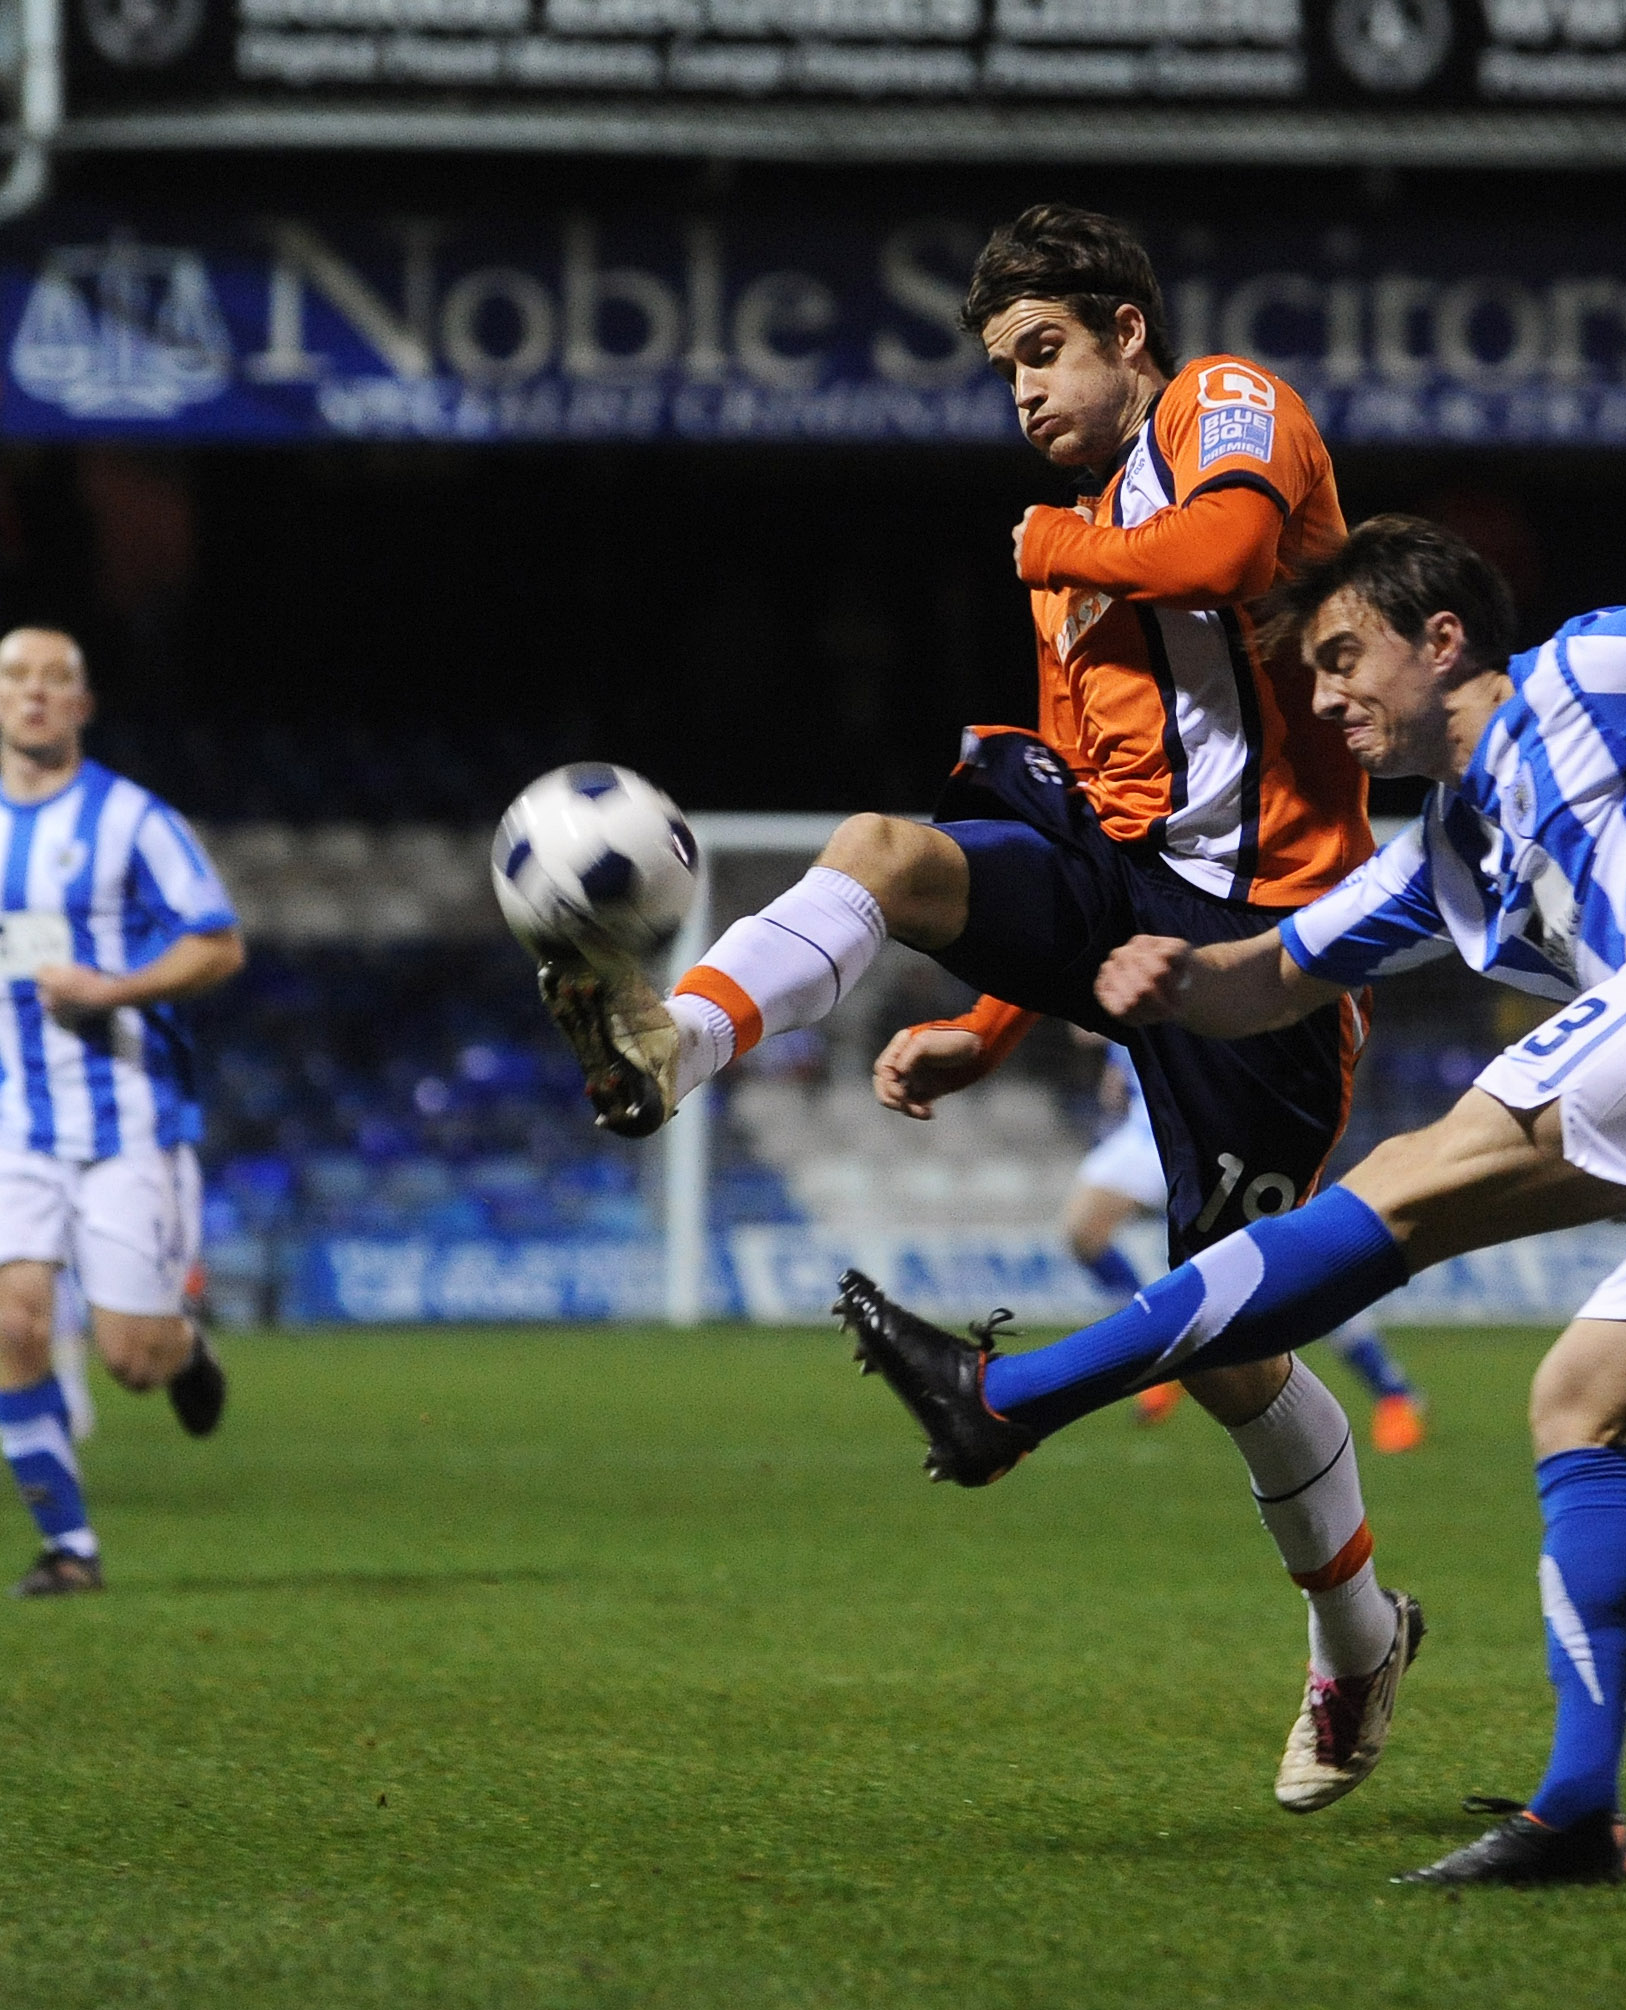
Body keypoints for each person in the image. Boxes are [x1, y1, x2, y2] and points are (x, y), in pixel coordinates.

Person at [834, 515, 1626, 1884]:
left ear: (1441, 639)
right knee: (1581, 1405)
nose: (1323, 696)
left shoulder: (1583, 670)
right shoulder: (1444, 849)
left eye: (1342, 657)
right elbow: (1273, 978)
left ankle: (1008, 1402)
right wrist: (1171, 978)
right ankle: (1577, 1816)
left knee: (1405, 1181)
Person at [539, 206, 1420, 1812]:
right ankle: (681, 1039)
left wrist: (1054, 548)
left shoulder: (1223, 405)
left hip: (1268, 956)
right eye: (1004, 366)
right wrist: (989, 1020)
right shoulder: (1068, 555)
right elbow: (1084, 805)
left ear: (1126, 335)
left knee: (1238, 1345)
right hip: (1123, 895)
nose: (1021, 391)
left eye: (1044, 351)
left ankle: (1359, 1638)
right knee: (887, 848)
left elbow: (1225, 556)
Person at [0, 627, 245, 1598]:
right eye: (16, 676)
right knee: (11, 1324)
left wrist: (111, 989)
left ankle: (184, 1350)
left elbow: (218, 944)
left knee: (129, 1362)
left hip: (128, 1122)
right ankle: (71, 1549)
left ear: (82, 706)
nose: (34, 693)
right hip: (16, 1119)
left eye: (55, 679)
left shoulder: (134, 820)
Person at [1064, 1036, 1427, 1445]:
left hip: (1213, 1131)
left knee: (1291, 1269)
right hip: (1148, 1132)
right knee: (1083, 1232)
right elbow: (1089, 1033)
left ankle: (1392, 1392)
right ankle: (1161, 1354)